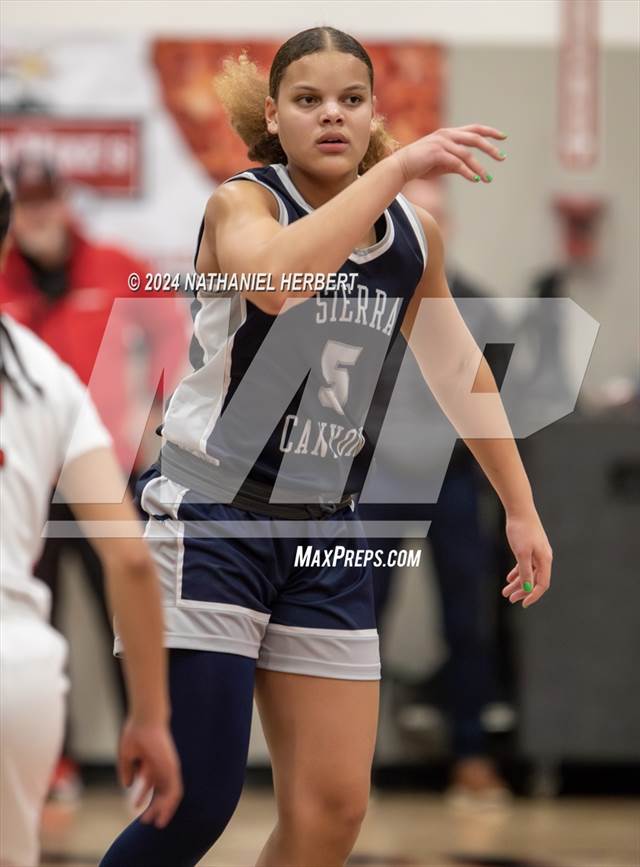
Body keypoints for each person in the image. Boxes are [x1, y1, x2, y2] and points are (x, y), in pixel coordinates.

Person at [100, 26, 552, 867]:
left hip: (324, 529)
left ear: (375, 109)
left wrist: (522, 508)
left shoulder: (413, 238)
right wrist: (395, 169)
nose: (332, 115)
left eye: (351, 99)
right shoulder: (244, 201)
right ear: (274, 114)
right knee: (196, 799)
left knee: (333, 810)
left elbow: (461, 372)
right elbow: (273, 281)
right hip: (212, 520)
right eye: (308, 100)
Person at [0, 172, 182, 867]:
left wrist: (157, 408)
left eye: (51, 199)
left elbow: (172, 327)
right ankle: (54, 765)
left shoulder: (113, 264)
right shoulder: (16, 287)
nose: (43, 215)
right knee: (33, 611)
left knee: (110, 605)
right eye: (31, 201)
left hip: (92, 461)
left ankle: (135, 738)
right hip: (28, 474)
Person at [361, 178, 513, 803]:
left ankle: (472, 756)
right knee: (358, 619)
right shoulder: (360, 296)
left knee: (466, 616)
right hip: (376, 482)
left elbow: (491, 403)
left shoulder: (474, 302)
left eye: (433, 213)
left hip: (449, 485)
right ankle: (347, 760)